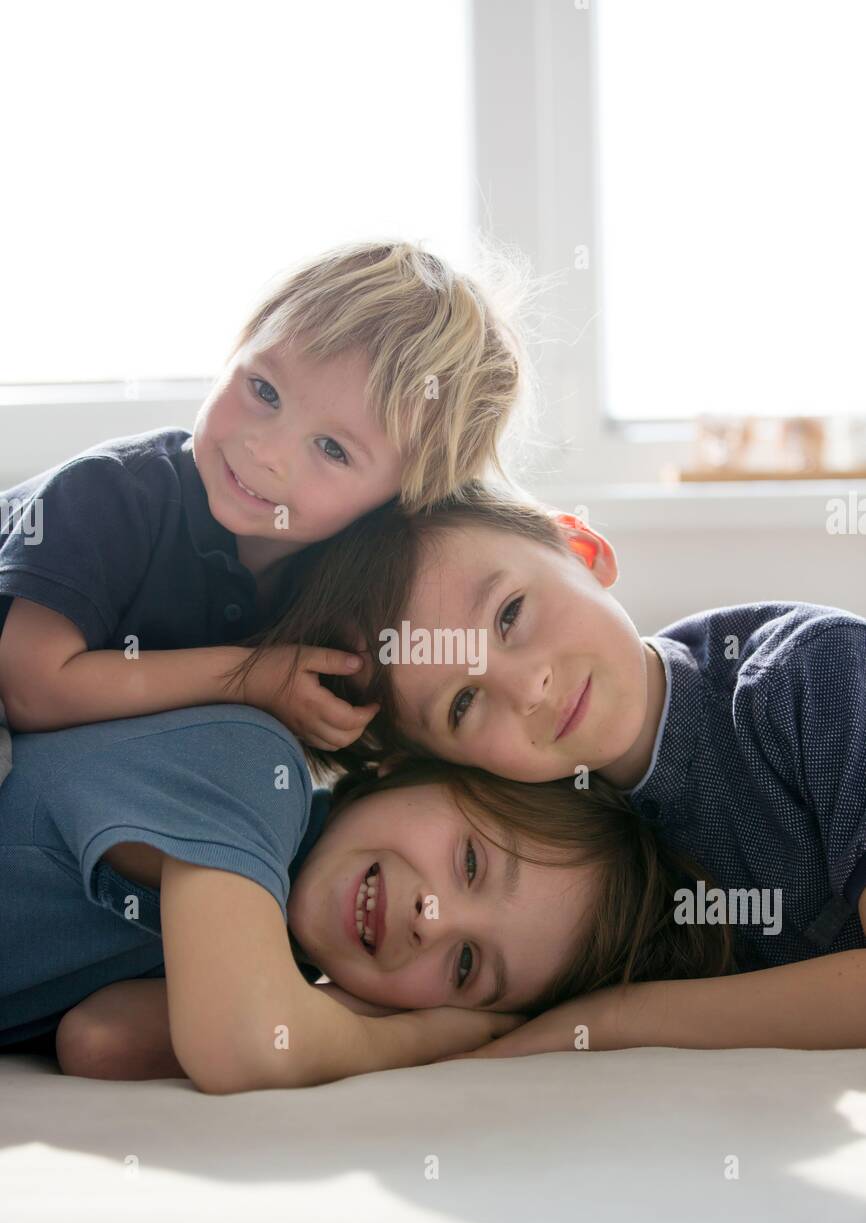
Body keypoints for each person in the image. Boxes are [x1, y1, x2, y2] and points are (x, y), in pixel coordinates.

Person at [224, 483, 866, 1056]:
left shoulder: (809, 675)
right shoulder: (521, 870)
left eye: (510, 614)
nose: (529, 687)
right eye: (464, 703)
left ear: (580, 546)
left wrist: (620, 1019)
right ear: (441, 767)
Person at [0, 239, 532, 782]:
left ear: (395, 503)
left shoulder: (336, 588)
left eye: (332, 450)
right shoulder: (111, 493)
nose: (266, 452)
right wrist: (249, 678)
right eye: (264, 390)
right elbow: (31, 690)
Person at [0, 700, 721, 1087]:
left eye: (466, 966)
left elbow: (101, 1041)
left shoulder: (267, 952)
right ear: (403, 767)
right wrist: (422, 1035)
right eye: (470, 862)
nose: (432, 922)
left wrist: (348, 1010)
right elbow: (245, 1049)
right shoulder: (256, 769)